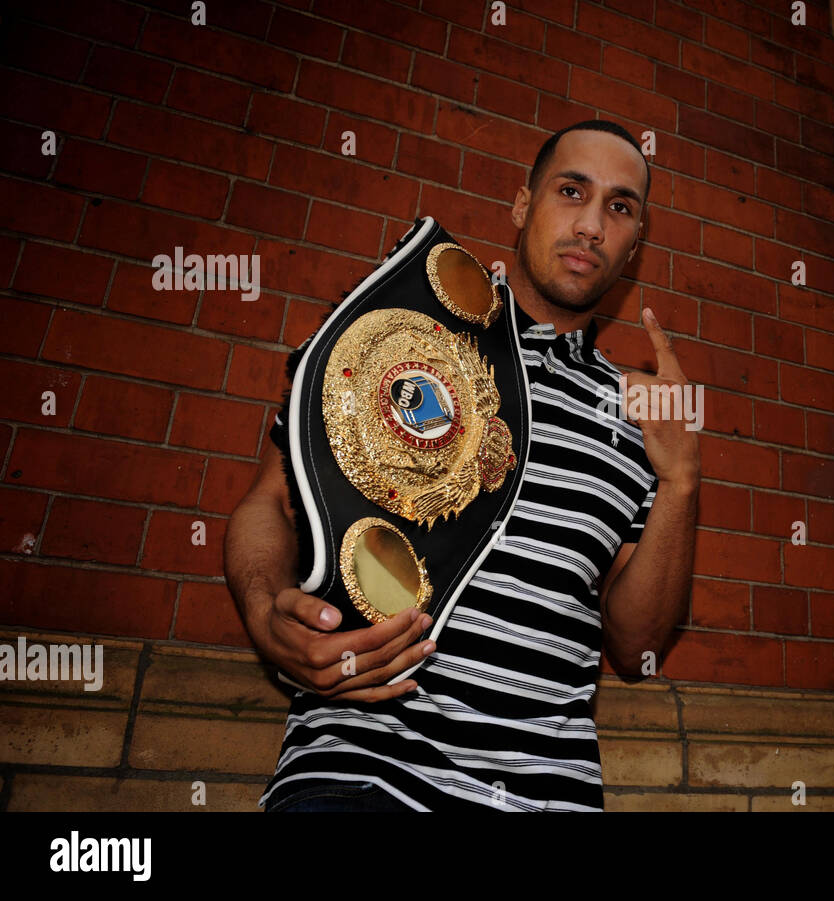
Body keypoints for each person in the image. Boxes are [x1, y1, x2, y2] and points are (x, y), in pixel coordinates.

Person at [222, 120, 701, 812]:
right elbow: (270, 503)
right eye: (572, 191)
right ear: (522, 205)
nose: (592, 224)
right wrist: (267, 611)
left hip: (547, 795)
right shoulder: (398, 327)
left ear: (636, 242)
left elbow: (636, 646)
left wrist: (681, 480)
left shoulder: (640, 418)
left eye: (620, 207)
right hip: (364, 770)